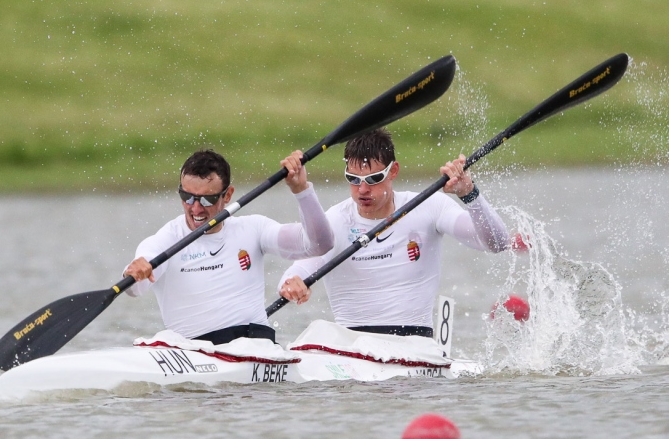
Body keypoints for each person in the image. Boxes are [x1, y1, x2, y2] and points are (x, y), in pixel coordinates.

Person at [277, 128, 508, 338]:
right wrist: (292, 284)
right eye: (353, 180)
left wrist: (469, 193)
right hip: (352, 348)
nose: (363, 190)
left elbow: (497, 243)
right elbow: (300, 268)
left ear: (393, 171)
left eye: (374, 179)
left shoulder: (429, 206)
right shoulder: (335, 221)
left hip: (415, 345)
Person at [124, 149, 334, 344]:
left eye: (207, 199)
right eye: (187, 197)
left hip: (258, 348)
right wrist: (134, 274)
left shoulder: (254, 229)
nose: (195, 208)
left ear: (228, 195)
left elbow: (319, 244)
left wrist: (301, 190)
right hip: (197, 353)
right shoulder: (165, 241)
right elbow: (135, 289)